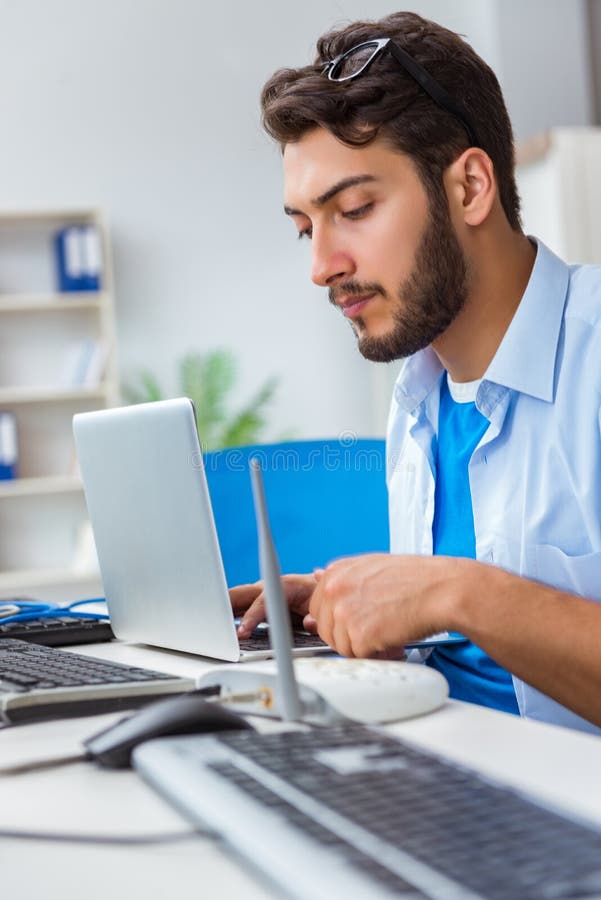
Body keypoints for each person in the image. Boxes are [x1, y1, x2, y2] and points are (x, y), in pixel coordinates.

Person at [230, 11, 601, 734]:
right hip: (447, 783)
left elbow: (465, 598)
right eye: (307, 228)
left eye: (354, 209)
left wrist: (457, 594)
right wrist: (372, 605)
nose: (320, 266)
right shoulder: (418, 390)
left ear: (468, 188)